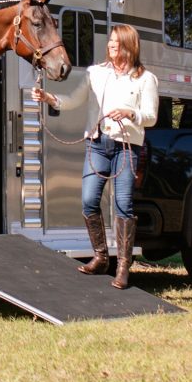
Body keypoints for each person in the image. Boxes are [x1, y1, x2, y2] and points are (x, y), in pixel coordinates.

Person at [32, 24, 160, 288]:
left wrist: (130, 112)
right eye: (110, 41)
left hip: (126, 147)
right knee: (89, 200)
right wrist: (49, 98)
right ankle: (101, 257)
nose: (111, 45)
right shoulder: (95, 73)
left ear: (129, 46)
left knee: (123, 205)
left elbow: (151, 116)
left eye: (116, 42)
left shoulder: (145, 79)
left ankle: (123, 267)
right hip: (97, 145)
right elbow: (73, 99)